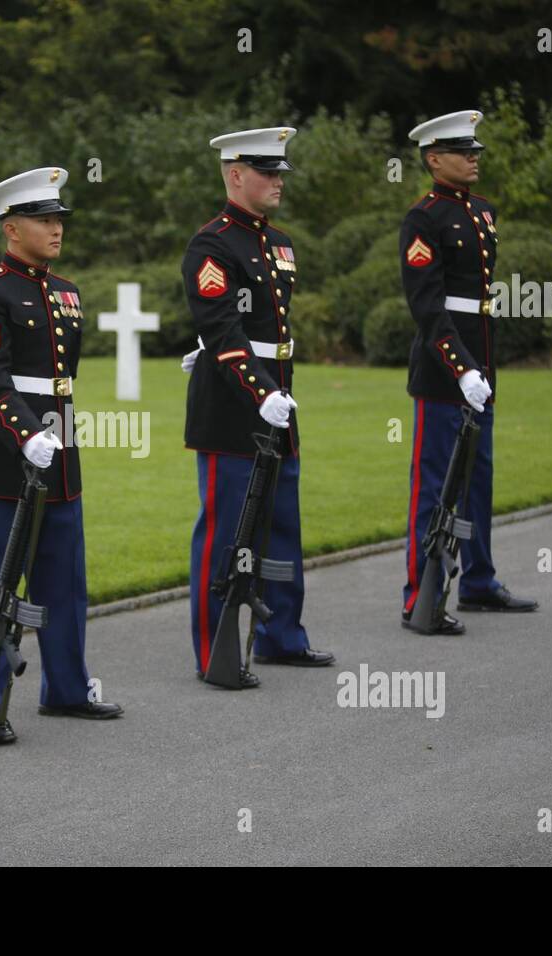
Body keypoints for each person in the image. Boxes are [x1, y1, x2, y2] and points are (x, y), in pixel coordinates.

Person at [0, 167, 123, 745]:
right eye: (43, 220)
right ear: (11, 227)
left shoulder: (66, 291)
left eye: (58, 220)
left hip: (62, 454)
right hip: (10, 458)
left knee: (64, 582)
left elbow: (61, 380)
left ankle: (68, 689)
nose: (55, 229)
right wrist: (23, 432)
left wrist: (53, 434)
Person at [180, 127, 335, 688]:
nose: (278, 181)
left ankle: (282, 636)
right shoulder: (212, 245)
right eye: (267, 172)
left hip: (279, 401)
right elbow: (221, 329)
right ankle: (212, 650)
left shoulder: (280, 243)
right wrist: (261, 390)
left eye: (280, 172)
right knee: (226, 531)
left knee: (282, 528)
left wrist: (279, 394)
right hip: (233, 409)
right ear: (235, 174)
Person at [399, 110, 539, 635]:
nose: (474, 156)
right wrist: (460, 369)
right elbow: (428, 307)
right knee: (434, 485)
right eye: (463, 151)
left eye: (475, 149)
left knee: (478, 479)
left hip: (482, 363)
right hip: (444, 371)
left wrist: (481, 370)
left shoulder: (482, 212)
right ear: (434, 159)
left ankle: (479, 581)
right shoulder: (423, 219)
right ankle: (421, 595)